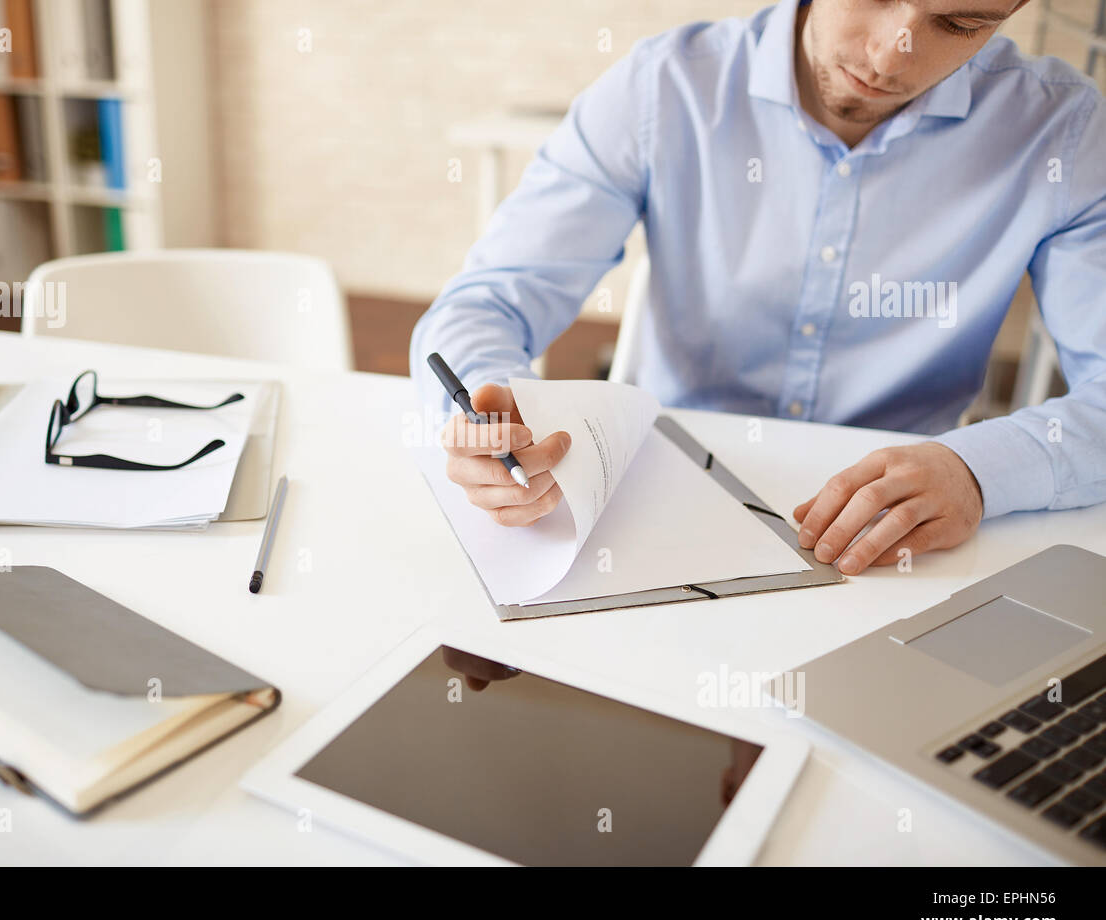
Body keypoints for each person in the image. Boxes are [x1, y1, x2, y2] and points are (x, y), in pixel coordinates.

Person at [409, 0, 1106, 575]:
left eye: (959, 25)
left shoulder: (1062, 133)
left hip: (896, 550)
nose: (894, 52)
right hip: (653, 511)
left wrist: (978, 472)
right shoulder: (662, 88)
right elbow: (485, 303)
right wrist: (492, 414)